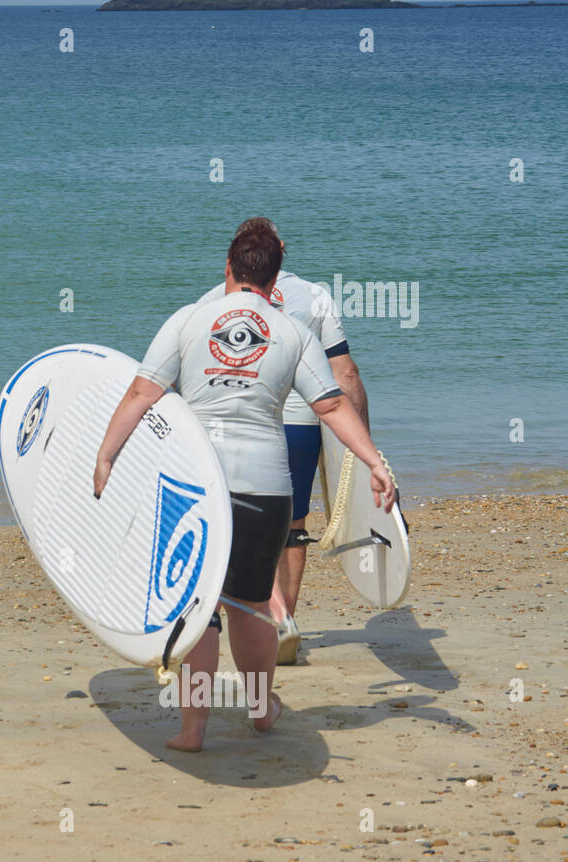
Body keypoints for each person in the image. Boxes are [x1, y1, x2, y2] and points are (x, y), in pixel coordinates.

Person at [93, 225, 394, 752]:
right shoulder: (292, 332)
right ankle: (260, 710)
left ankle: (192, 730)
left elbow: (142, 392)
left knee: (196, 607)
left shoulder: (188, 319)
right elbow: (330, 404)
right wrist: (374, 461)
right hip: (265, 488)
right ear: (275, 279)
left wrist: (106, 455)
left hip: (195, 485)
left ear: (227, 267)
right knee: (252, 605)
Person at [197, 218, 370, 664]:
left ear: (234, 257)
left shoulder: (213, 301)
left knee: (235, 523)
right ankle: (284, 621)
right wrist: (362, 444)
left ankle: (250, 617)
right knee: (291, 525)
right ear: (280, 253)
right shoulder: (316, 296)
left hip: (235, 426)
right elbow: (343, 373)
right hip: (301, 423)